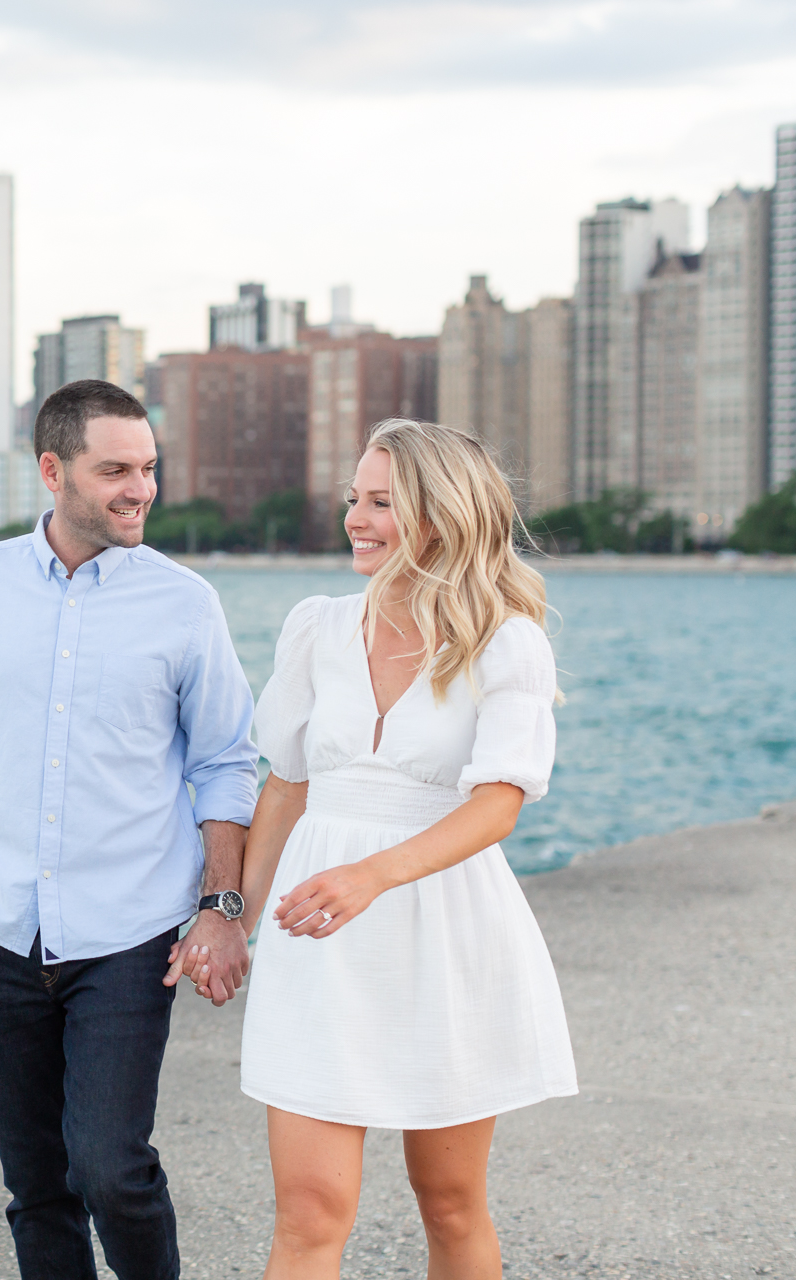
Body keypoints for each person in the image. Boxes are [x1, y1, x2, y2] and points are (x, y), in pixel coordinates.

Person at [189, 418, 576, 1279]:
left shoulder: (506, 640)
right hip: (319, 942)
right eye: (352, 500)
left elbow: (499, 804)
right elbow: (285, 787)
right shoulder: (316, 627)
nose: (354, 519)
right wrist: (230, 919)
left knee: (450, 1203)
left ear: (440, 515)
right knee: (310, 1213)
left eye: (380, 503)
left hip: (446, 932)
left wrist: (372, 874)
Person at [0, 380, 259, 1280]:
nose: (140, 489)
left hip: (129, 936)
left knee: (110, 1168)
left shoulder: (184, 604)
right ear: (53, 471)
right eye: (115, 471)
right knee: (37, 1186)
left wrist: (221, 904)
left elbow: (225, 761)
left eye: (149, 469)